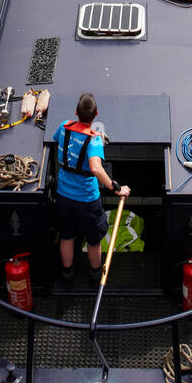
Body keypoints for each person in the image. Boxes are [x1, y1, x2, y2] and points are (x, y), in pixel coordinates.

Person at [52, 93, 129, 286]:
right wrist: (116, 188)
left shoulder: (63, 127)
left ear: (76, 112)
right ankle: (95, 273)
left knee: (67, 235)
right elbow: (95, 168)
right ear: (96, 114)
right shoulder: (94, 141)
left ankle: (67, 272)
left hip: (63, 195)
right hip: (87, 200)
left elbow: (60, 140)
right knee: (94, 240)